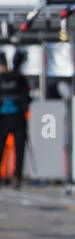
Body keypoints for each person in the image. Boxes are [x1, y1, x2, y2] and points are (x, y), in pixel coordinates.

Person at [0, 50, 31, 189]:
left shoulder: (5, 79)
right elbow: (27, 96)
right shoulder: (19, 78)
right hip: (16, 118)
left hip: (6, 119)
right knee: (19, 150)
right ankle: (16, 177)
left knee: (10, 149)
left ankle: (15, 176)